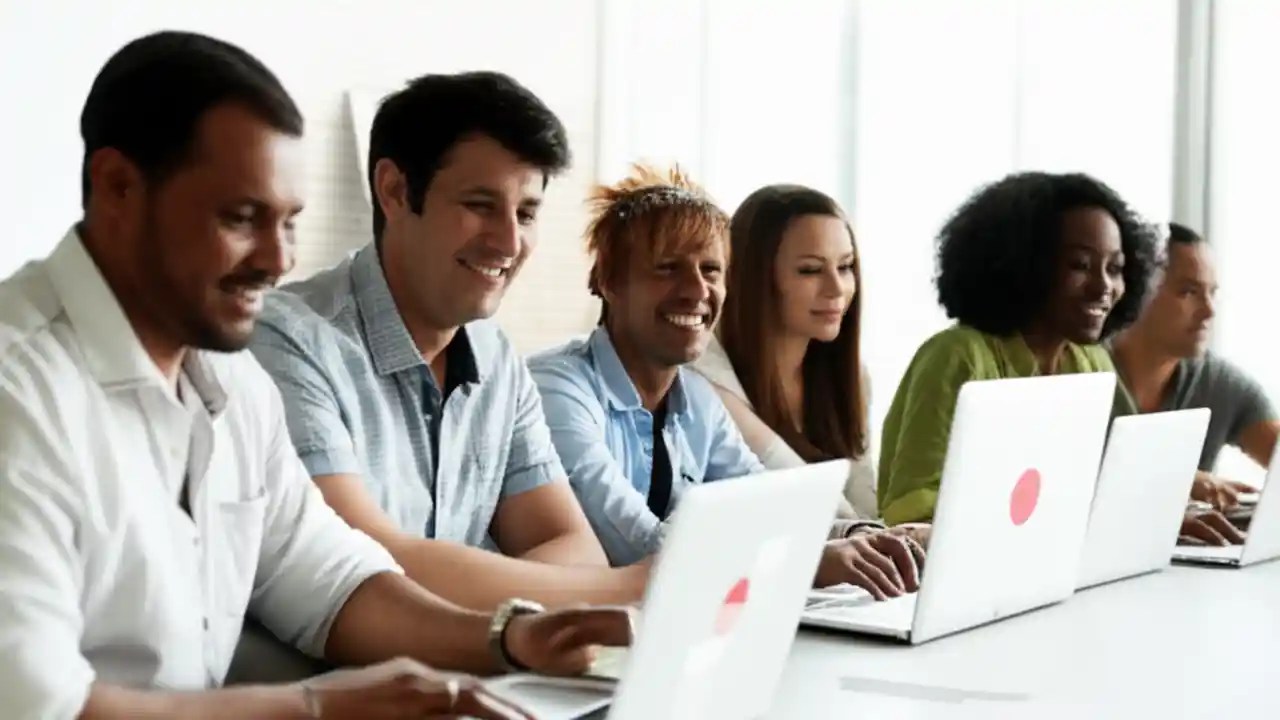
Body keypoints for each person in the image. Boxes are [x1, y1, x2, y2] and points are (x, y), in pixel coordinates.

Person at [0, 31, 629, 719]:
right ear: (118, 187)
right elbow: (38, 705)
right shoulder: (19, 390)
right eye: (242, 218)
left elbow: (333, 581)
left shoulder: (231, 384)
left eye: (290, 223)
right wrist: (313, 709)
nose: (277, 260)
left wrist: (510, 637)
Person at [248, 72, 650, 611]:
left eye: (526, 213)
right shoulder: (288, 341)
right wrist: (632, 588)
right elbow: (363, 567)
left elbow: (574, 548)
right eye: (481, 205)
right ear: (393, 191)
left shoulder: (495, 356)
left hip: (490, 668)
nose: (509, 241)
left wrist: (499, 615)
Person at [530, 165, 925, 601]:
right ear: (608, 281)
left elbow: (771, 506)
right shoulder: (557, 391)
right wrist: (809, 560)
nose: (696, 290)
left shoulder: (694, 398)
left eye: (711, 270)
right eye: (668, 268)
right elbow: (634, 541)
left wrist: (862, 537)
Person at [876, 172, 1243, 546]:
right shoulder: (957, 356)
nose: (1104, 288)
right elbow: (910, 510)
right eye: (1080, 265)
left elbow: (1108, 480)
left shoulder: (1091, 361)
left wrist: (1158, 514)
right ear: (1024, 264)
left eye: (1115, 269)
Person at [691, 183, 874, 520]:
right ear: (755, 278)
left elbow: (864, 501)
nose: (837, 289)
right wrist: (879, 538)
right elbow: (819, 504)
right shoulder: (704, 375)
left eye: (846, 267)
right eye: (810, 270)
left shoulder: (850, 375)